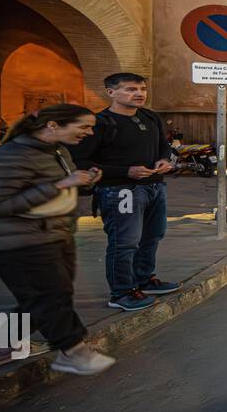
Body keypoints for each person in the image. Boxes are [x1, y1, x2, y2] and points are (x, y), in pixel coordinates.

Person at [0, 105, 116, 376]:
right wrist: (61, 185)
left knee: (44, 297)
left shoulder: (58, 151)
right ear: (53, 125)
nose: (90, 132)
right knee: (50, 296)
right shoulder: (10, 156)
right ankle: (73, 351)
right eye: (84, 126)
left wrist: (85, 181)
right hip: (18, 241)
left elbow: (59, 186)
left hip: (55, 234)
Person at [70, 73, 177, 311]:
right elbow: (81, 160)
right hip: (120, 190)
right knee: (124, 243)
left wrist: (164, 160)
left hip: (155, 186)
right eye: (130, 89)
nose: (139, 93)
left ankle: (144, 279)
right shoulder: (99, 123)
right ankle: (121, 292)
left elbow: (164, 145)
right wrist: (124, 171)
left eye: (142, 88)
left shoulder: (150, 116)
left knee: (153, 235)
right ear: (111, 93)